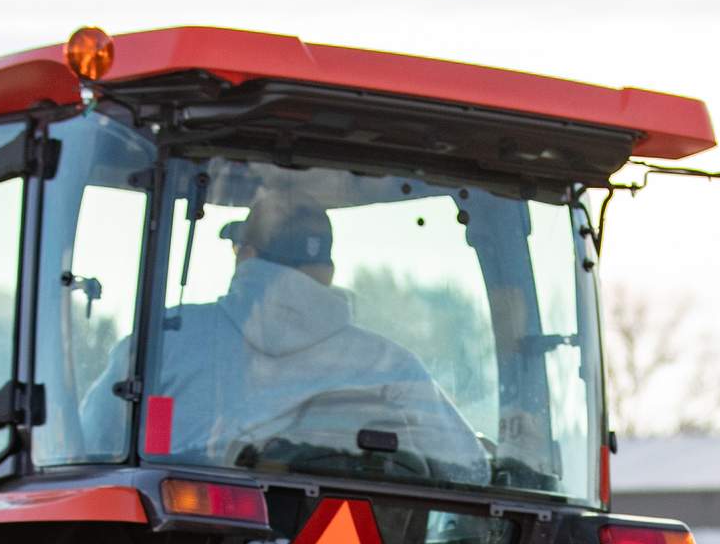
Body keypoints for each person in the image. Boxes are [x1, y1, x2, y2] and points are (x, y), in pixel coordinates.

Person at [83, 189, 482, 480]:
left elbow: (91, 446)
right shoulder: (391, 367)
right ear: (328, 271)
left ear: (246, 257)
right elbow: (469, 471)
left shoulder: (165, 340)